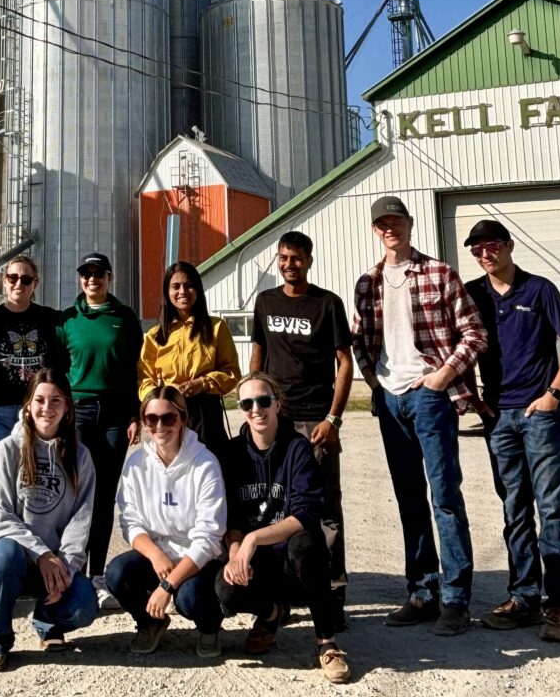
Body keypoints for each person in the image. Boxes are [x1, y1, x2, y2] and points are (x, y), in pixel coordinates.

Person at [352, 195, 487, 636]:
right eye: (382, 224)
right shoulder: (367, 283)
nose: (389, 229)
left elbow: (474, 332)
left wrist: (443, 375)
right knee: (409, 498)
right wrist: (374, 384)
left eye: (396, 221)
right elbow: (361, 341)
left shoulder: (439, 273)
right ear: (375, 231)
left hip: (429, 395)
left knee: (445, 496)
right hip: (391, 400)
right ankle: (422, 592)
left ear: (409, 225)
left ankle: (455, 599)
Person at [463, 218, 560, 644]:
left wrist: (554, 394)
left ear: (509, 246)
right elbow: (454, 345)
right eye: (477, 249)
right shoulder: (472, 294)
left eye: (492, 246)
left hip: (541, 416)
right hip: (498, 419)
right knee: (514, 510)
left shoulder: (540, 290)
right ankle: (523, 598)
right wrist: (475, 401)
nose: (485, 254)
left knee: (552, 509)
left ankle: (559, 607)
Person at [216, 373, 351, 683]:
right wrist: (237, 551)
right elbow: (231, 517)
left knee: (306, 544)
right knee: (225, 591)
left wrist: (253, 539)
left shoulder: (297, 447)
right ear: (241, 408)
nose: (256, 409)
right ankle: (270, 614)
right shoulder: (232, 454)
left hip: (294, 562)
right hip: (258, 564)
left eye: (263, 401)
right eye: (248, 403)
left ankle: (326, 642)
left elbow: (306, 513)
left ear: (277, 403)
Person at [249, 230, 353, 622]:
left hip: (315, 420)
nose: (289, 264)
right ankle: (284, 589)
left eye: (296, 258)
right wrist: (257, 400)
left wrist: (333, 418)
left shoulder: (327, 304)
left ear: (309, 260)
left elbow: (345, 362)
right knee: (276, 504)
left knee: (326, 507)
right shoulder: (265, 301)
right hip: (278, 419)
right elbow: (258, 353)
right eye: (283, 258)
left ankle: (333, 590)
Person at [0, 369, 99, 671]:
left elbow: (80, 522)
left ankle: (47, 621)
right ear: (28, 406)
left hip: (53, 564)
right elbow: (1, 517)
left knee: (85, 604)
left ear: (67, 406)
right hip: (14, 558)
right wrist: (40, 553)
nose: (47, 408)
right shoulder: (8, 449)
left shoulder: (80, 456)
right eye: (40, 400)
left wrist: (65, 568)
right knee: (5, 554)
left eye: (56, 400)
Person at [106, 385, 227, 658]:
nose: (160, 426)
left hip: (198, 560)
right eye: (151, 419)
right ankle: (151, 621)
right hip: (160, 555)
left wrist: (167, 586)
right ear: (144, 423)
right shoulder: (135, 464)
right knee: (116, 574)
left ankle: (210, 628)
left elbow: (208, 538)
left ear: (182, 418)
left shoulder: (205, 464)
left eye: (168, 418)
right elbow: (131, 521)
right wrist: (156, 555)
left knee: (189, 598)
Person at [56, 251, 143, 608]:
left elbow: (138, 367)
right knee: (74, 490)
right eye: (86, 274)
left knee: (104, 493)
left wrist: (136, 414)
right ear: (80, 279)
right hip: (79, 411)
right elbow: (57, 370)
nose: (92, 279)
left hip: (115, 414)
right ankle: (69, 568)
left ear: (109, 278)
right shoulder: (68, 320)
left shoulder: (124, 318)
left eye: (99, 274)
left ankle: (96, 574)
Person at [0, 253, 65, 547]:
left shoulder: (50, 320)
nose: (19, 283)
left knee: (35, 491)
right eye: (13, 278)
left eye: (26, 279)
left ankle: (34, 564)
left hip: (38, 417)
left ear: (36, 284)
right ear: (4, 281)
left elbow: (63, 368)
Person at [138, 261, 241, 449]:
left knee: (208, 466)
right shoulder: (154, 335)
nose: (183, 291)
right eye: (176, 286)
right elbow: (144, 379)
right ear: (167, 293)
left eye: (189, 285)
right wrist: (161, 396)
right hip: (167, 412)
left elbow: (232, 373)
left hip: (205, 412)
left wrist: (202, 384)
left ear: (198, 290)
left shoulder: (216, 328)